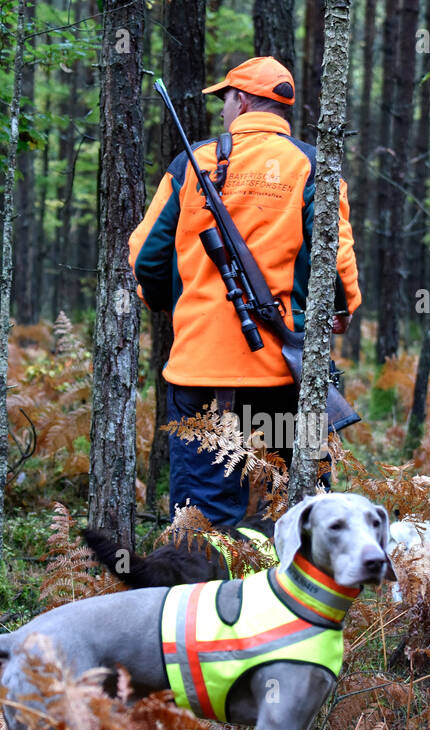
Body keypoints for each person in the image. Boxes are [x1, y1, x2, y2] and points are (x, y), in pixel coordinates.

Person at [128, 56, 363, 526]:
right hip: (283, 377)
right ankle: (292, 598)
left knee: (204, 524)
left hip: (200, 377)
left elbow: (146, 260)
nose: (222, 110)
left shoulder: (192, 163)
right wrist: (342, 310)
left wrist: (173, 307)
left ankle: (204, 594)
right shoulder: (313, 165)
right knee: (300, 516)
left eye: (225, 100)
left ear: (240, 99)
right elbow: (334, 261)